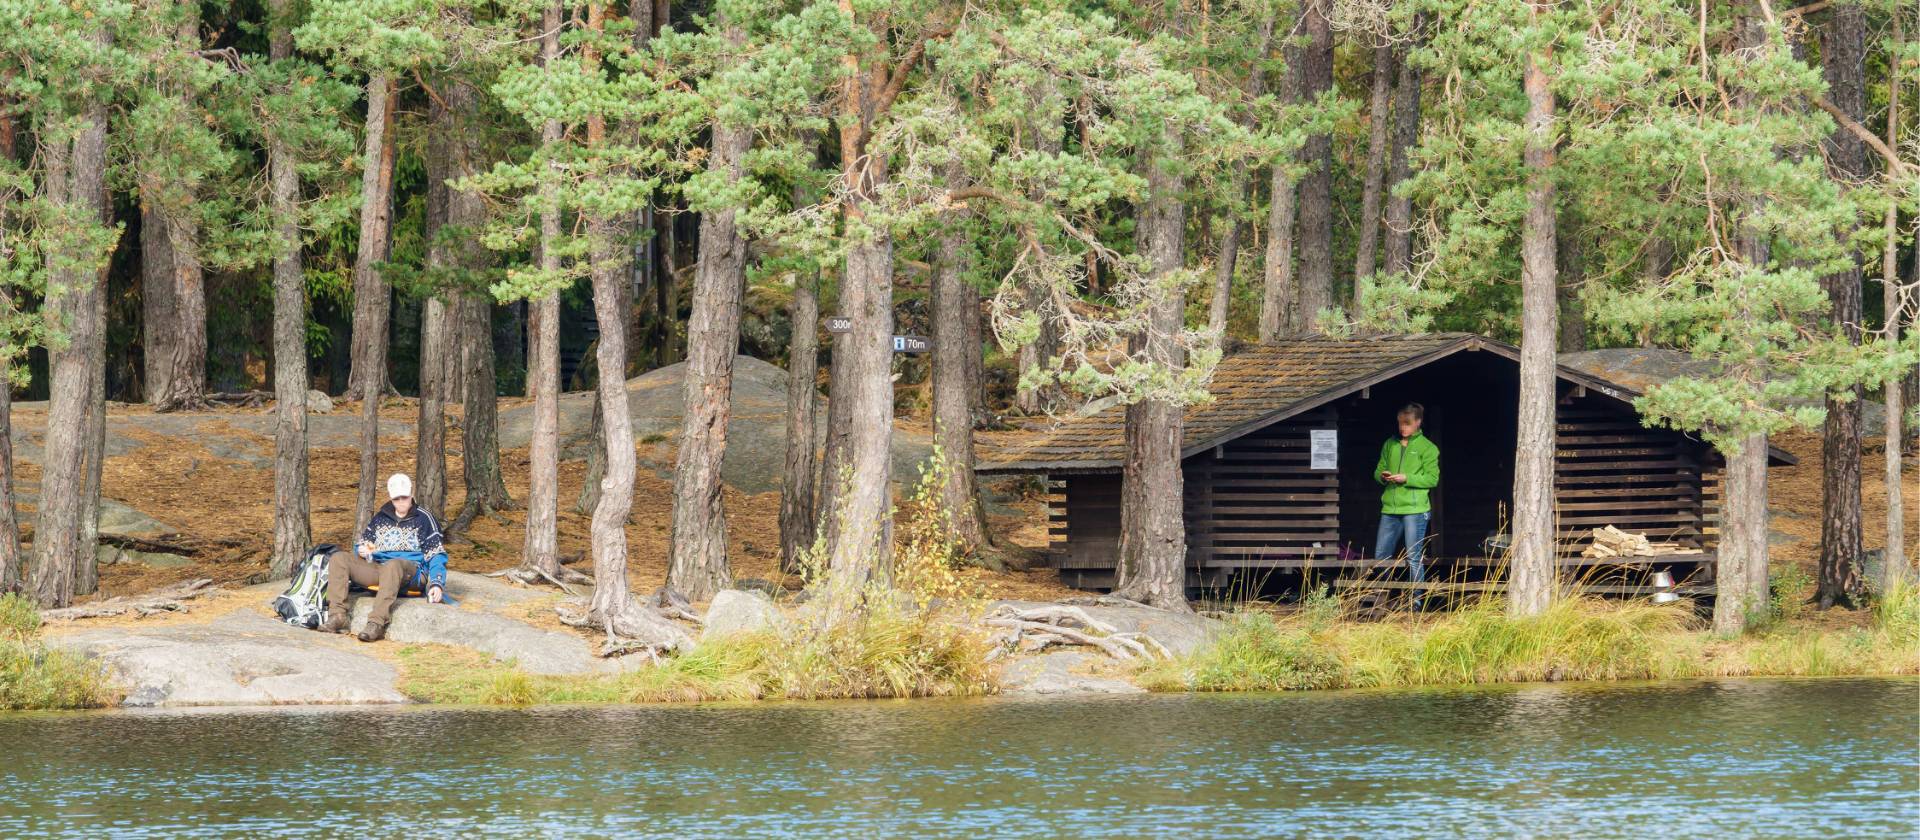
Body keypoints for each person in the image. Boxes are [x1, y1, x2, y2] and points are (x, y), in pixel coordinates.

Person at [319, 473, 450, 641]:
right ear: (391, 498)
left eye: (405, 497)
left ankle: (376, 623)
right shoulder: (381, 518)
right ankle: (337, 615)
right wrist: (362, 549)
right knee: (339, 558)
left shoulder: (424, 519)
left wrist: (437, 583)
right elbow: (363, 543)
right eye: (397, 498)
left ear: (412, 495)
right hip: (381, 568)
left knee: (393, 565)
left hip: (413, 573)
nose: (401, 502)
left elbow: (437, 554)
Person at [1374, 403, 1439, 607]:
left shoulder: (1427, 448)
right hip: (1390, 509)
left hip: (1415, 510)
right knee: (1381, 555)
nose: (1403, 428)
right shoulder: (1390, 444)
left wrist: (1407, 478)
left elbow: (1432, 479)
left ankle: (1415, 602)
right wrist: (1383, 477)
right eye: (1401, 423)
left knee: (1413, 556)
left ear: (1418, 422)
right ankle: (1381, 599)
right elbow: (1378, 471)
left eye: (1408, 424)